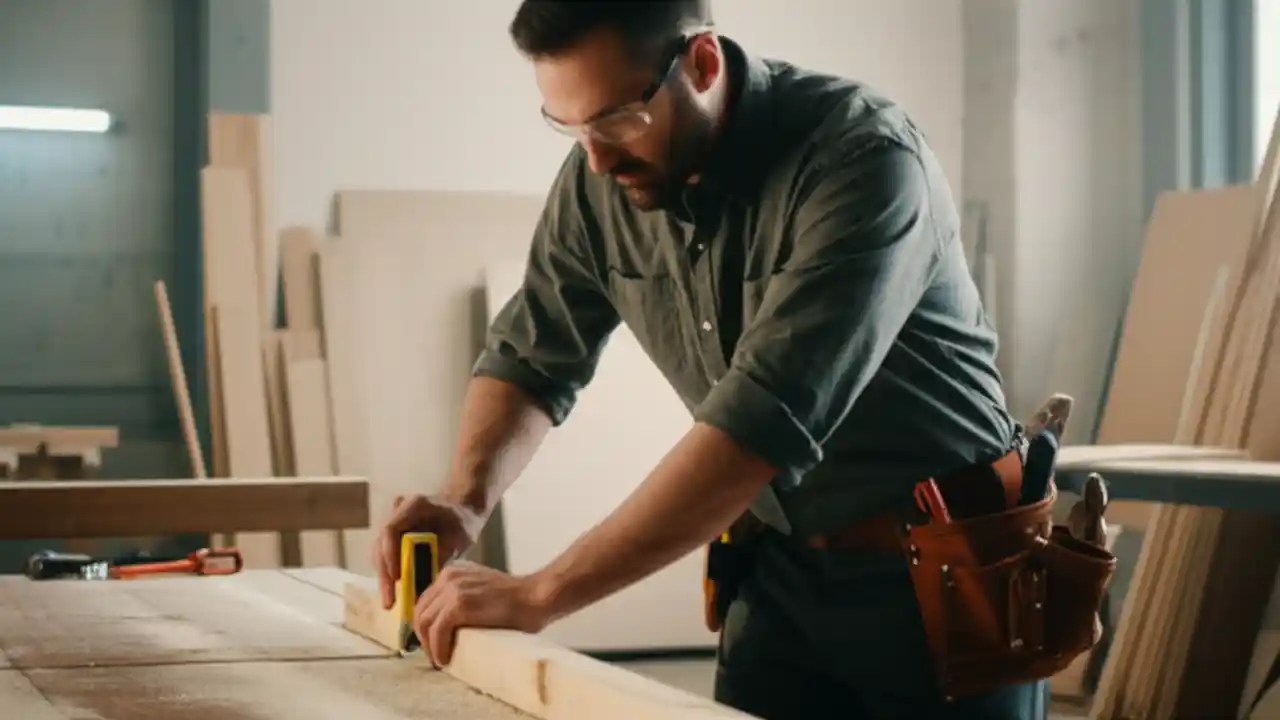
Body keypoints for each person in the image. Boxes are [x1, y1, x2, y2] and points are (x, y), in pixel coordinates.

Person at [374, 2, 1048, 718]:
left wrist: (541, 593)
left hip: (945, 579)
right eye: (570, 127)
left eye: (615, 120)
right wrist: (465, 497)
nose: (596, 158)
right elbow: (531, 355)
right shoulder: (599, 176)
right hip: (777, 570)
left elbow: (756, 427)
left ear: (702, 63)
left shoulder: (862, 162)